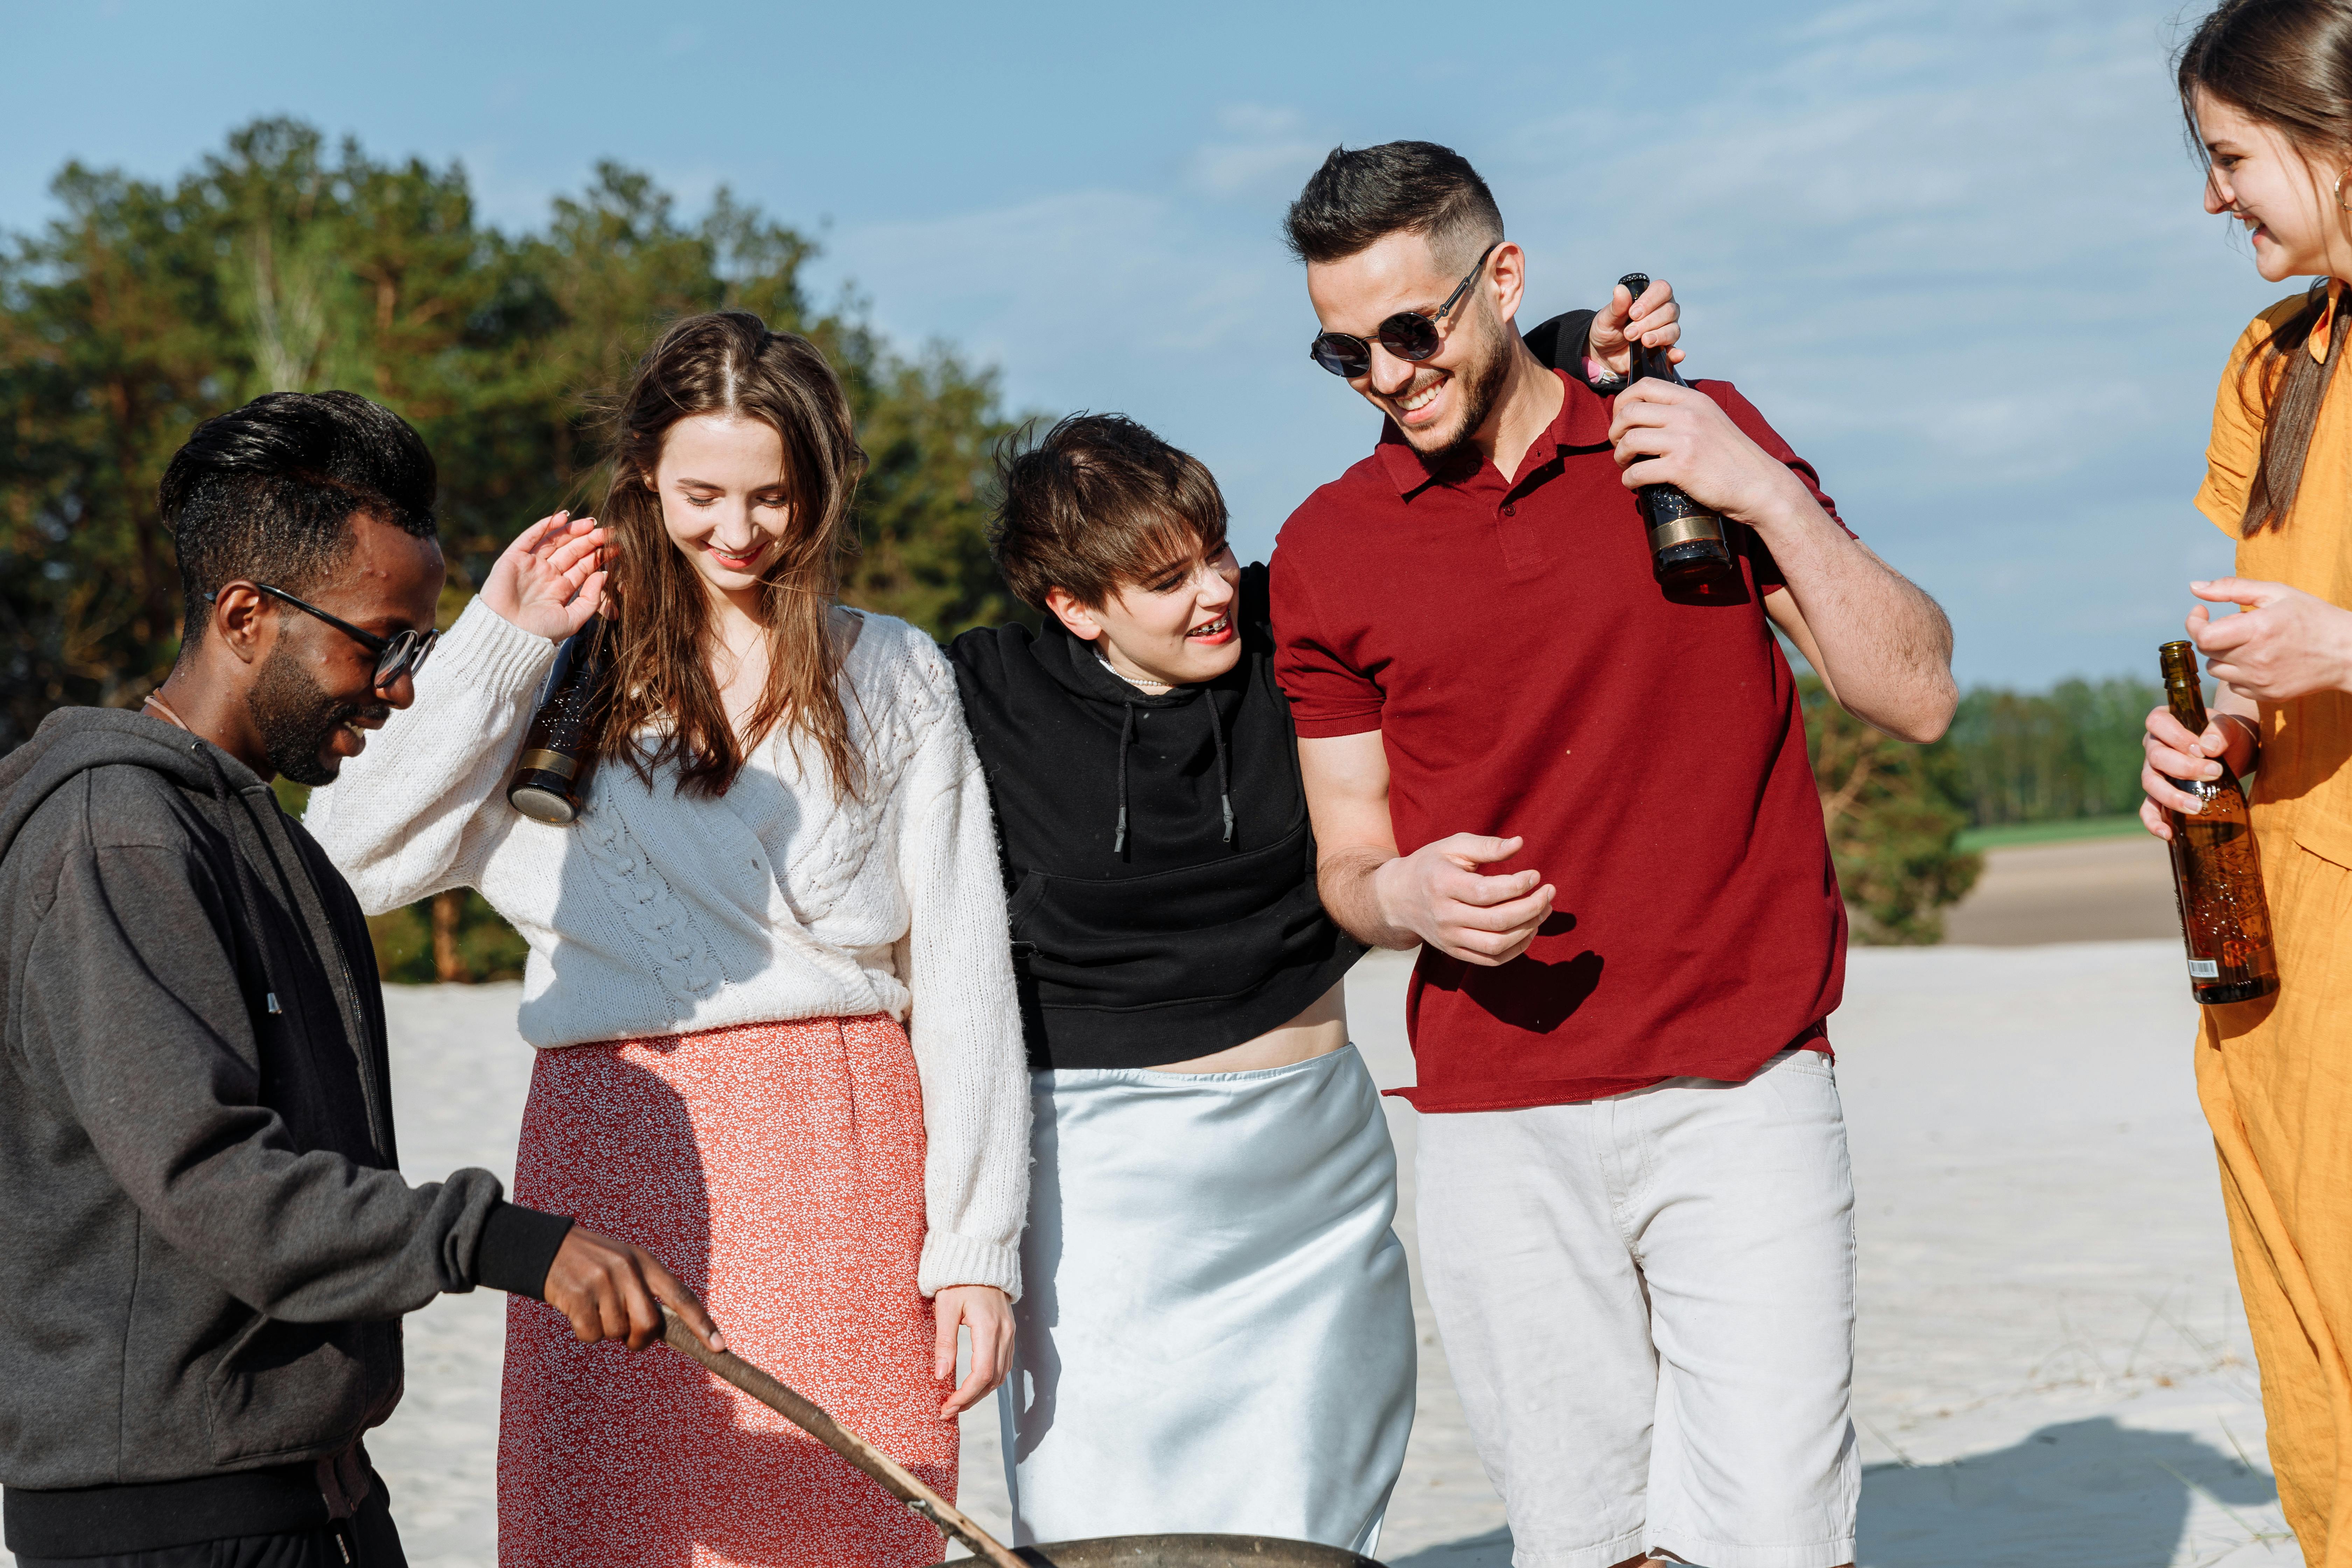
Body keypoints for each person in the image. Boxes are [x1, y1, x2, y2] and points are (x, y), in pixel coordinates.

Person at [1269, 142, 1957, 1568]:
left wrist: (1755, 481)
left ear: (1503, 280)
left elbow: (1918, 690)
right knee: (1583, 1546)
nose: (1389, 375)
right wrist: (1401, 895)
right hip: (1492, 1118)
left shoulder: (1686, 439)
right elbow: (1348, 854)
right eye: (1346, 352)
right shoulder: (1326, 551)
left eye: (1415, 328)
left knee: (1772, 1535)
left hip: (1744, 1086)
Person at [305, 311, 1031, 1568]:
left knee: (837, 1522)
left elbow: (962, 970)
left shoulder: (897, 670)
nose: (739, 532)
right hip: (614, 1139)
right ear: (644, 471)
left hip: (847, 1141)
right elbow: (341, 861)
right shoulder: (556, 667)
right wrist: (498, 640)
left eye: (775, 497)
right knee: (619, 1532)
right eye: (702, 493)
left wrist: (977, 1243)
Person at [0, 391, 719, 1568]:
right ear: (245, 616)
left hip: (321, 1500)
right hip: (166, 1526)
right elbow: (217, 1180)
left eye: (418, 649)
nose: (397, 687)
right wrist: (509, 1243)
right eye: (379, 642)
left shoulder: (282, 853)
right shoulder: (114, 837)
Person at [2146, 7, 2352, 1562]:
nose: (2216, 199)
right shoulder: (2275, 359)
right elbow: (2267, 638)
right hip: (2272, 949)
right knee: (2314, 1379)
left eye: (2233, 156)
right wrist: (2204, 747)